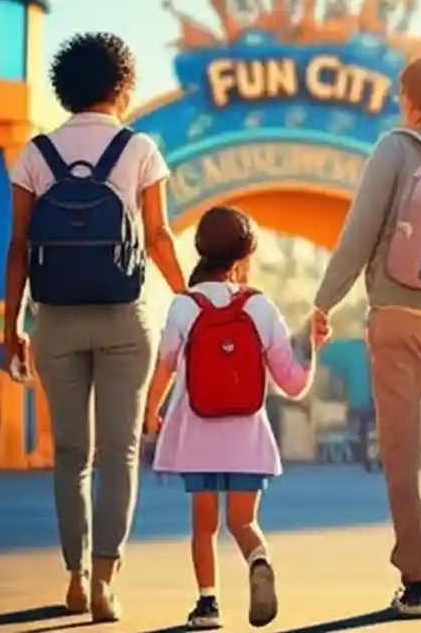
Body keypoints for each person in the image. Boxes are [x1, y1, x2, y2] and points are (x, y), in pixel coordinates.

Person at [2, 32, 189, 623]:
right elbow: (157, 237)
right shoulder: (139, 149)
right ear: (124, 86)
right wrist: (188, 300)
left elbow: (17, 247)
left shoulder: (35, 154)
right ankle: (108, 578)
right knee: (120, 452)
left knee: (70, 455)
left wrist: (10, 328)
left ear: (65, 89)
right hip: (123, 316)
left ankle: (75, 576)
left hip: (53, 318)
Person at [311, 54, 421, 618]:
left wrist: (324, 301)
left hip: (398, 317)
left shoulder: (395, 149)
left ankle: (417, 583)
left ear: (413, 102)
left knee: (402, 451)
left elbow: (359, 233)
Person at [144, 206, 326, 630]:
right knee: (243, 522)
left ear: (201, 250)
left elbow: (165, 367)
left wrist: (151, 410)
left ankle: (207, 605)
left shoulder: (183, 308)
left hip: (195, 433)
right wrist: (312, 342)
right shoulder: (260, 308)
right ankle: (258, 559)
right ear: (243, 259)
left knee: (204, 527)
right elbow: (293, 383)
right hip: (247, 437)